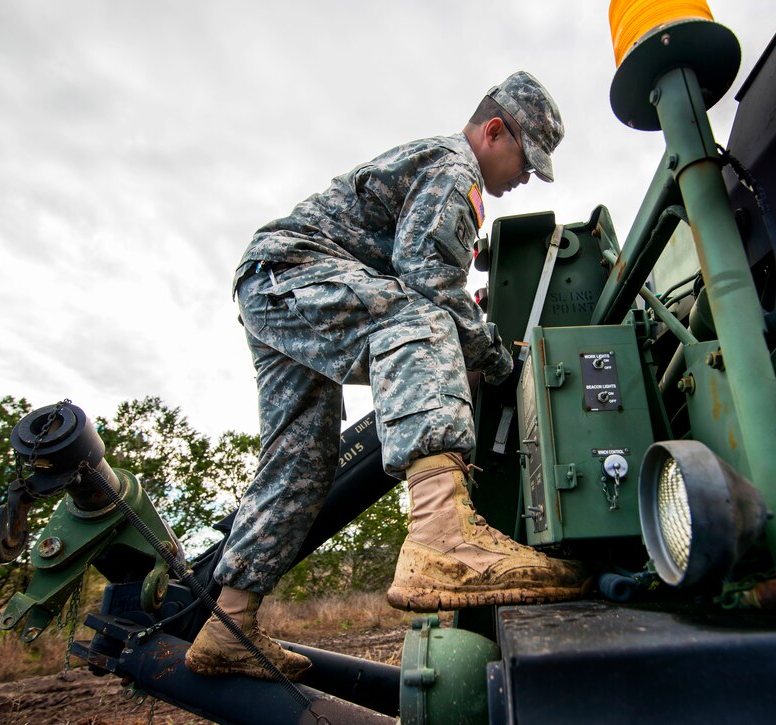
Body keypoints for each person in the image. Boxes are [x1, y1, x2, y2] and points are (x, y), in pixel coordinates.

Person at [185, 71, 588, 681]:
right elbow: (428, 282)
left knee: (301, 458)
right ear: (493, 130)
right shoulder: (457, 169)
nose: (523, 178)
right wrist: (496, 360)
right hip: (296, 269)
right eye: (524, 160)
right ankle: (441, 536)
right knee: (419, 314)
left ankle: (229, 625)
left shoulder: (444, 170)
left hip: (271, 284)